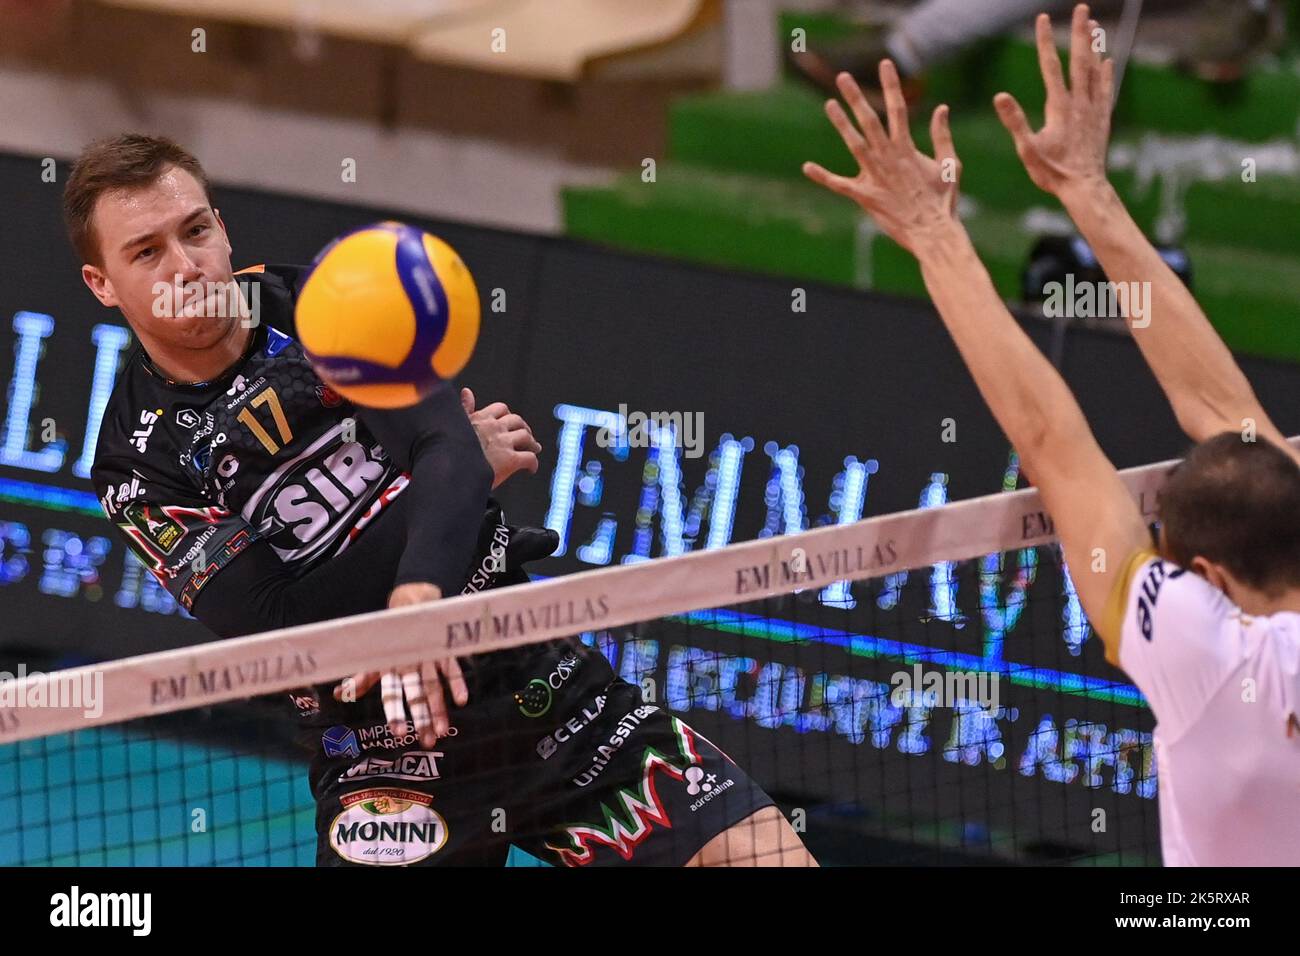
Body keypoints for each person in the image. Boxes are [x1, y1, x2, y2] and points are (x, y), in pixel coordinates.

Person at [74, 133, 814, 866]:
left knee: (770, 860)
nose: (187, 266)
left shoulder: (326, 307)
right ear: (101, 283)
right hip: (381, 750)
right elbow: (277, 622)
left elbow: (448, 449)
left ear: (223, 227)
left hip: (537, 680)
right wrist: (436, 507)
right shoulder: (138, 465)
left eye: (196, 231)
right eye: (147, 252)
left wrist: (418, 591)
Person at [803, 3, 1300, 865]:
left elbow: (1054, 447)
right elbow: (1229, 422)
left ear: (1209, 577)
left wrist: (934, 237)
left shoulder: (1204, 653)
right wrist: (1089, 193)